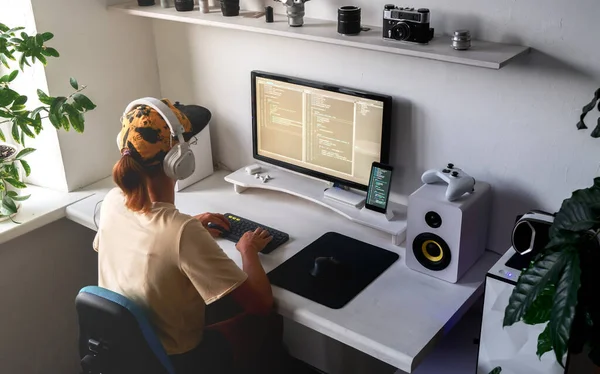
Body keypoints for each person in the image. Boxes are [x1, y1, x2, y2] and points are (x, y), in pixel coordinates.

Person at [93, 98, 285, 374]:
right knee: (269, 321)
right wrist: (247, 249)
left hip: (131, 353)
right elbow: (260, 303)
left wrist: (190, 225)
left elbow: (143, 238)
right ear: (178, 162)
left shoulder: (112, 201)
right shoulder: (180, 231)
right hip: (180, 360)